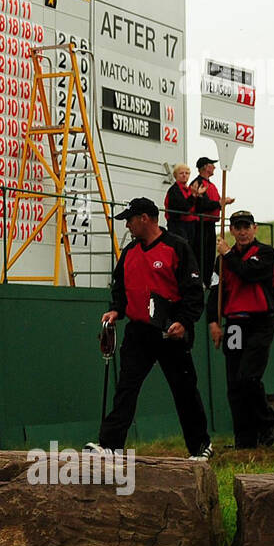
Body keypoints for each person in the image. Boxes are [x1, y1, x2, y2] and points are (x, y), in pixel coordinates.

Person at [89, 197, 212, 460]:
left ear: (145, 218)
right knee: (126, 388)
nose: (128, 226)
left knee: (184, 389)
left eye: (130, 220)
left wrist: (185, 322)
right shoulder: (130, 253)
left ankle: (201, 446)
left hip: (170, 329)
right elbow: (119, 288)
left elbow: (193, 291)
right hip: (138, 331)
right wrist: (116, 310)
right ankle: (110, 445)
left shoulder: (176, 247)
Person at [206, 211, 274, 448]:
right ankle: (244, 439)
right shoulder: (221, 260)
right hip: (235, 323)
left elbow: (249, 273)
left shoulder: (266, 253)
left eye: (246, 226)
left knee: (249, 376)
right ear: (231, 230)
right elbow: (215, 290)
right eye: (238, 227)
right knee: (235, 383)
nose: (242, 231)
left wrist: (227, 254)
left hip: (260, 321)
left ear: (255, 228)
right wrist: (213, 322)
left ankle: (267, 423)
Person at [190, 157, 234, 282]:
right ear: (205, 167)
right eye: (212, 165)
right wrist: (220, 203)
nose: (214, 167)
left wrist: (222, 202)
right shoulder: (198, 183)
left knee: (209, 254)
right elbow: (201, 205)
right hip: (201, 224)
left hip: (210, 224)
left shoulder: (210, 185)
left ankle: (207, 280)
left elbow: (214, 202)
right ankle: (201, 281)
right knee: (202, 254)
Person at [162, 163, 197, 248]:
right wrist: (193, 196)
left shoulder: (189, 190)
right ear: (175, 175)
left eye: (187, 173)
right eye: (181, 173)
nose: (184, 175)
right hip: (178, 226)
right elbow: (183, 207)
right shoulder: (174, 190)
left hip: (190, 225)